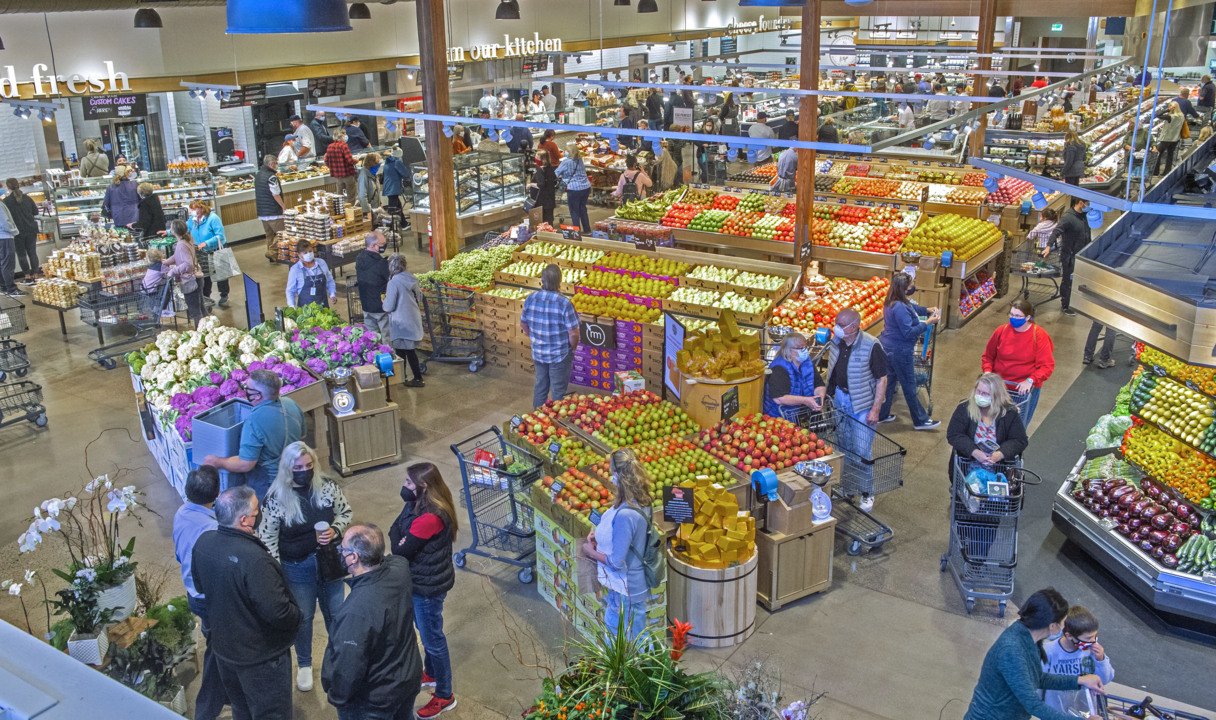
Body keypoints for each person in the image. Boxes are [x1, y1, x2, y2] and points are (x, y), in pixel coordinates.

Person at [192, 486, 302, 720]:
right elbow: (279, 613)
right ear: (244, 520)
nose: (260, 513)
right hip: (261, 660)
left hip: (225, 652)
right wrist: (298, 615)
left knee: (241, 710)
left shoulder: (203, 543)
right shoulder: (256, 560)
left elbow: (200, 587)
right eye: (256, 510)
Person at [259, 441, 352, 693]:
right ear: (287, 468)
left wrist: (335, 530)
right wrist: (276, 574)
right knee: (303, 617)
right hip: (296, 567)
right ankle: (304, 664)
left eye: (309, 465)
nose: (305, 471)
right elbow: (267, 540)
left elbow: (345, 513)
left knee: (337, 613)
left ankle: (340, 658)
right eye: (298, 467)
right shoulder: (275, 498)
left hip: (329, 561)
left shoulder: (327, 487)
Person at [323, 524, 423, 720]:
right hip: (407, 679)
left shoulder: (355, 611)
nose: (340, 552)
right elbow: (394, 559)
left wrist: (337, 696)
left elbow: (348, 665)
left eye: (342, 549)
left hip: (374, 701)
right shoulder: (400, 570)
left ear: (354, 557)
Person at [963, 587, 1106, 720]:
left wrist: (1080, 680)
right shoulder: (1012, 650)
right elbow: (1033, 705)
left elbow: (1036, 678)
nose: (1064, 628)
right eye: (1063, 623)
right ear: (1052, 626)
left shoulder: (1029, 638)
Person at [389, 463, 460, 718]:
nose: (405, 486)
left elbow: (399, 549)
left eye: (409, 482)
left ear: (424, 486)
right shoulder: (416, 504)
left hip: (427, 587)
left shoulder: (430, 516)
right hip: (423, 579)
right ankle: (430, 673)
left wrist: (401, 536)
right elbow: (395, 528)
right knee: (426, 629)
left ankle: (444, 695)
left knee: (433, 640)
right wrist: (400, 534)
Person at [173, 467, 228, 720]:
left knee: (213, 637)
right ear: (217, 493)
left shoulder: (181, 514)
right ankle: (207, 710)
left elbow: (178, 554)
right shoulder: (211, 529)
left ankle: (226, 693)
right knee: (217, 653)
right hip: (210, 598)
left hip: (193, 594)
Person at [202, 369, 307, 501]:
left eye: (248, 388)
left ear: (257, 395)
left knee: (268, 511)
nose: (245, 390)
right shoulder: (291, 404)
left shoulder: (254, 420)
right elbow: (302, 436)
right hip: (294, 476)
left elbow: (246, 464)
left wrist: (217, 461)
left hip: (269, 484)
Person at [582, 448, 652, 640]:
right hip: (632, 583)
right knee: (635, 634)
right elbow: (629, 538)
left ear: (617, 476)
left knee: (622, 640)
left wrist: (590, 551)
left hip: (625, 588)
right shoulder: (641, 500)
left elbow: (617, 562)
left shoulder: (626, 514)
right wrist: (600, 538)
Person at [826, 307, 888, 511]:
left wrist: (876, 410)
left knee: (861, 450)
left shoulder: (871, 345)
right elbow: (832, 371)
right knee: (842, 446)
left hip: (862, 404)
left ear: (854, 327)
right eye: (836, 323)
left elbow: (882, 379)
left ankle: (867, 492)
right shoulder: (836, 342)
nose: (837, 328)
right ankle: (848, 487)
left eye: (841, 325)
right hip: (840, 399)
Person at [878, 273, 941, 430]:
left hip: (888, 348)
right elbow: (908, 332)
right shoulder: (899, 307)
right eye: (912, 285)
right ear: (904, 289)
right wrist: (928, 322)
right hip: (900, 350)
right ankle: (920, 420)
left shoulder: (894, 300)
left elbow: (912, 308)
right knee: (909, 385)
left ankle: (882, 414)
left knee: (889, 382)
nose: (914, 287)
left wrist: (927, 310)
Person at [981, 298, 1056, 426]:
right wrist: (987, 372)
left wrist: (1030, 380)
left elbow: (1046, 366)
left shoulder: (1039, 335)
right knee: (992, 424)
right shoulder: (1001, 331)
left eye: (1017, 316)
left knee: (1017, 426)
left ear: (1028, 317)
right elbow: (988, 356)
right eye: (1011, 314)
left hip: (1022, 392)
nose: (1013, 318)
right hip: (999, 387)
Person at [947, 372, 1028, 479]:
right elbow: (954, 434)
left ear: (996, 396)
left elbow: (1020, 440)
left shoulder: (1009, 413)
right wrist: (975, 452)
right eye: (978, 391)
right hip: (967, 469)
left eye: (985, 394)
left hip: (998, 471)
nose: (980, 396)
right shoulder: (964, 408)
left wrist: (1000, 454)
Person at [521, 263, 580, 408]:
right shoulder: (564, 303)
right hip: (559, 355)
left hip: (539, 353)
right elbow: (573, 333)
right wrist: (573, 348)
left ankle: (537, 416)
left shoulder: (531, 298)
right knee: (558, 391)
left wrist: (535, 338)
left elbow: (523, 324)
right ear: (560, 282)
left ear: (541, 280)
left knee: (540, 386)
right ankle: (555, 419)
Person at [1042, 606, 1116, 716]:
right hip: (1056, 712)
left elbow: (1104, 680)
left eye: (1095, 636)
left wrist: (1100, 660)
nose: (1093, 641)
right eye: (1088, 638)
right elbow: (1039, 682)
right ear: (1069, 636)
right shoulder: (1048, 652)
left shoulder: (1092, 651)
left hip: (1084, 711)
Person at [383, 253, 426, 388]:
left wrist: (384, 302)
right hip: (413, 319)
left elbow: (389, 306)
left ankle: (412, 378)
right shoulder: (412, 278)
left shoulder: (393, 282)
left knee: (402, 352)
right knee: (409, 351)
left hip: (400, 323)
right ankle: (409, 377)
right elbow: (419, 297)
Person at [1044, 196, 1091, 316]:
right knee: (1068, 280)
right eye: (1087, 204)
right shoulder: (1068, 217)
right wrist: (1048, 246)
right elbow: (1057, 231)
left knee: (1077, 279)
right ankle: (1066, 305)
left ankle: (1074, 301)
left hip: (1081, 254)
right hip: (1070, 255)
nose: (1089, 206)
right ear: (1080, 203)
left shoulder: (1084, 215)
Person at [763, 333, 825, 419]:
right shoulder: (779, 368)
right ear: (788, 350)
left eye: (805, 347)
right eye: (800, 348)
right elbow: (779, 398)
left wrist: (820, 397)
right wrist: (806, 400)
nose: (804, 350)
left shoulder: (807, 362)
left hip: (801, 413)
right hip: (779, 416)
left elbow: (819, 384)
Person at [188, 200, 230, 307]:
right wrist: (169, 232)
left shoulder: (213, 218)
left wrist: (206, 243)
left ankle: (224, 294)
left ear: (201, 208)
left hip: (216, 250)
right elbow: (185, 228)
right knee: (205, 275)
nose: (192, 211)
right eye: (191, 209)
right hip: (202, 251)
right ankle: (206, 297)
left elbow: (220, 236)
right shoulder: (193, 219)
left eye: (194, 209)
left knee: (220, 274)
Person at [163, 219, 204, 325]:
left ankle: (200, 331)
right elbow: (177, 256)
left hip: (190, 281)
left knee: (195, 312)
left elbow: (188, 264)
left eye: (171, 227)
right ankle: (206, 329)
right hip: (197, 277)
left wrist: (173, 271)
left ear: (174, 231)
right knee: (201, 308)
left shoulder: (181, 244)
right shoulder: (187, 241)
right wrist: (165, 262)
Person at [3, 178, 41, 284]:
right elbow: (35, 211)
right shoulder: (27, 198)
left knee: (21, 254)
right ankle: (36, 275)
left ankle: (27, 276)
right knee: (32, 252)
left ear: (7, 187)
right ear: (18, 185)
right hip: (31, 229)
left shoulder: (6, 202)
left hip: (17, 232)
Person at [356, 231, 391, 338]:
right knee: (387, 337)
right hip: (380, 307)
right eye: (382, 244)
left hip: (366, 305)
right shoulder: (381, 263)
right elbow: (391, 279)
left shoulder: (359, 258)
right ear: (373, 245)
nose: (384, 246)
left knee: (371, 338)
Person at [286, 240, 338, 308]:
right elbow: (290, 291)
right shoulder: (295, 270)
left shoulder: (321, 263)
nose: (309, 254)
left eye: (310, 251)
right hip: (305, 310)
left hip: (323, 308)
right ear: (299, 255)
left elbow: (329, 280)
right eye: (305, 253)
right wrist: (291, 306)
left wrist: (332, 294)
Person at [555, 143, 592, 233]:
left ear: (569, 152)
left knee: (574, 211)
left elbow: (556, 173)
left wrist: (561, 176)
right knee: (582, 209)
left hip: (574, 189)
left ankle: (576, 231)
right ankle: (587, 230)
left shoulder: (566, 162)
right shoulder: (580, 160)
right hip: (586, 187)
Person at [257, 155, 287, 262]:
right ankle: (272, 252)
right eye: (276, 163)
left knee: (269, 235)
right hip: (273, 211)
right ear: (271, 164)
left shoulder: (259, 174)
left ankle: (272, 257)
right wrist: (283, 206)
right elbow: (275, 194)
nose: (277, 165)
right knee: (282, 233)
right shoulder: (271, 177)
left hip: (262, 212)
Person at [325, 131, 359, 204]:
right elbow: (349, 160)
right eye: (344, 135)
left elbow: (326, 161)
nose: (346, 136)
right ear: (341, 137)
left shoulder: (330, 146)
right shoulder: (344, 146)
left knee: (340, 196)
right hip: (348, 174)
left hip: (337, 176)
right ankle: (350, 209)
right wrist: (356, 161)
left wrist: (334, 168)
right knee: (351, 195)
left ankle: (342, 209)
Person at [529, 149, 559, 226]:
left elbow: (541, 185)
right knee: (549, 219)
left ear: (541, 158)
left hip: (541, 200)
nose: (535, 157)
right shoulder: (550, 168)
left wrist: (530, 184)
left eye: (536, 156)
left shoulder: (540, 169)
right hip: (550, 198)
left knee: (541, 220)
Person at [1156, 102, 1185, 176]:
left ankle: (1156, 171)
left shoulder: (1170, 117)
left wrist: (1166, 110)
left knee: (1158, 154)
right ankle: (1167, 171)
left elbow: (1157, 115)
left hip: (1166, 138)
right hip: (1175, 138)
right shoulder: (1182, 116)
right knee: (1170, 154)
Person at [380, 149, 411, 218]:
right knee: (393, 208)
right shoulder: (397, 162)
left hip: (387, 186)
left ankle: (403, 222)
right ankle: (390, 223)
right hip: (393, 187)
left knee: (398, 205)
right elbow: (405, 173)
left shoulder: (388, 161)